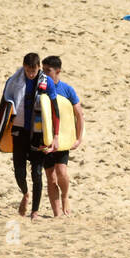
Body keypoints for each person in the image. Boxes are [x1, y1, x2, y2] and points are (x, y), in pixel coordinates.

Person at [0, 53, 58, 219]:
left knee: (37, 173)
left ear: (39, 67)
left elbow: (54, 109)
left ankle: (35, 211)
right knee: (19, 171)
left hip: (38, 132)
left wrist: (56, 135)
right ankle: (25, 193)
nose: (31, 74)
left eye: (33, 71)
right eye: (28, 71)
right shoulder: (13, 82)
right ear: (24, 66)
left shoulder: (47, 82)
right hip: (19, 130)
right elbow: (3, 106)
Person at [40, 55, 84, 217]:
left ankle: (65, 196)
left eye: (47, 70)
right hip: (45, 138)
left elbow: (79, 115)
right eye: (42, 70)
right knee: (50, 177)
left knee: (62, 172)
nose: (43, 73)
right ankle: (57, 213)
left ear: (57, 71)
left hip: (63, 138)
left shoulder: (67, 90)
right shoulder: (40, 88)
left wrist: (78, 138)